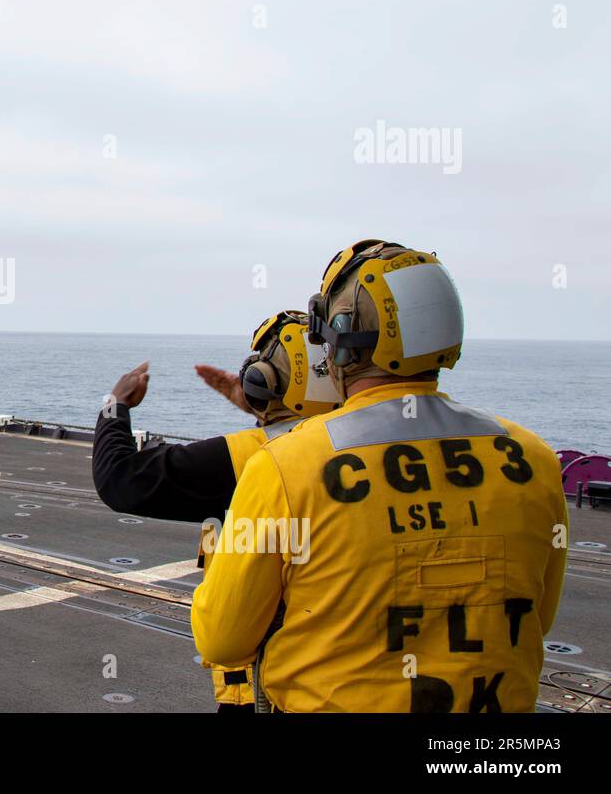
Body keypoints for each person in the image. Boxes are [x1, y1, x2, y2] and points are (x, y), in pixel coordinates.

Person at [192, 239, 569, 712]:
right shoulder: (534, 459)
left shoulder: (284, 466)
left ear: (342, 337)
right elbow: (541, 616)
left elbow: (223, 642)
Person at [93, 310, 341, 710]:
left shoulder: (250, 458)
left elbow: (120, 479)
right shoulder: (361, 449)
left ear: (263, 381)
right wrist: (270, 412)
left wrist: (115, 404)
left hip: (267, 690)